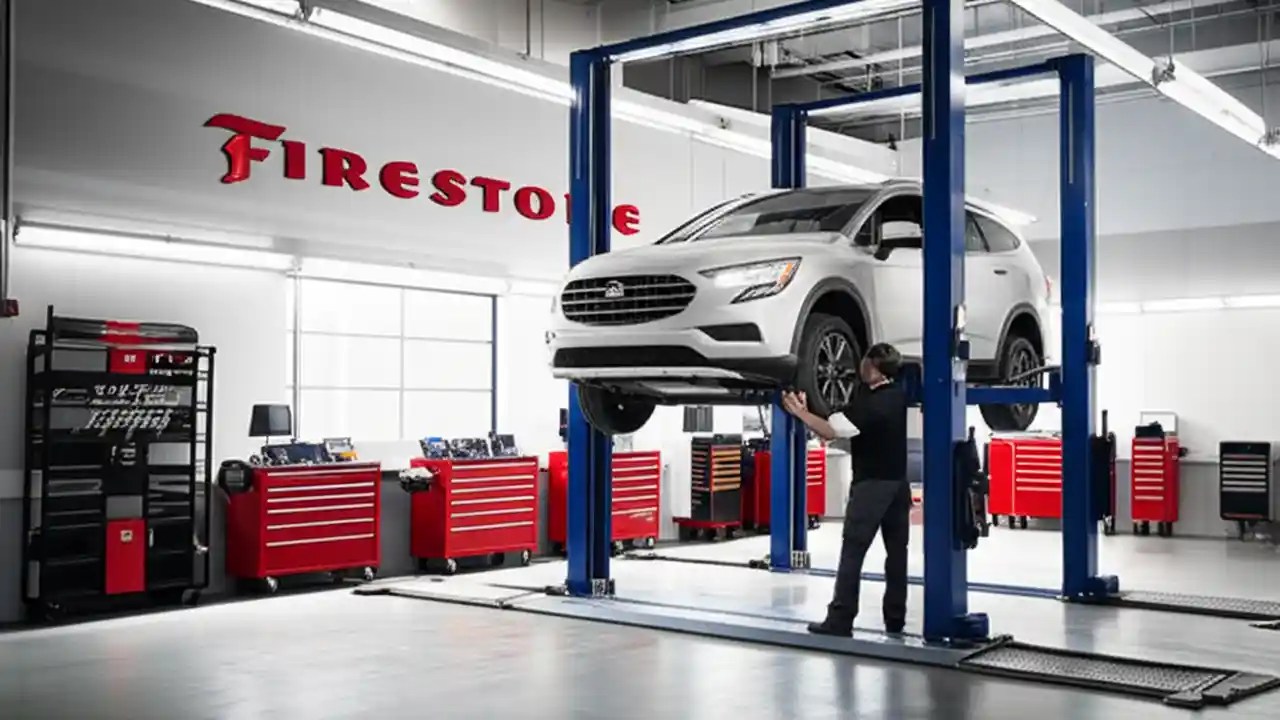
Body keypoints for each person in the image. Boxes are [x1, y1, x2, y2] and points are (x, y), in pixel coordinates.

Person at [781, 342, 910, 636]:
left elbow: (830, 430)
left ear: (873, 366)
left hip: (872, 488)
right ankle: (895, 619)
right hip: (898, 486)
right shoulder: (897, 396)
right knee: (897, 555)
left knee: (853, 552)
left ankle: (840, 618)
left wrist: (800, 412)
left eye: (865, 360)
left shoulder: (872, 404)